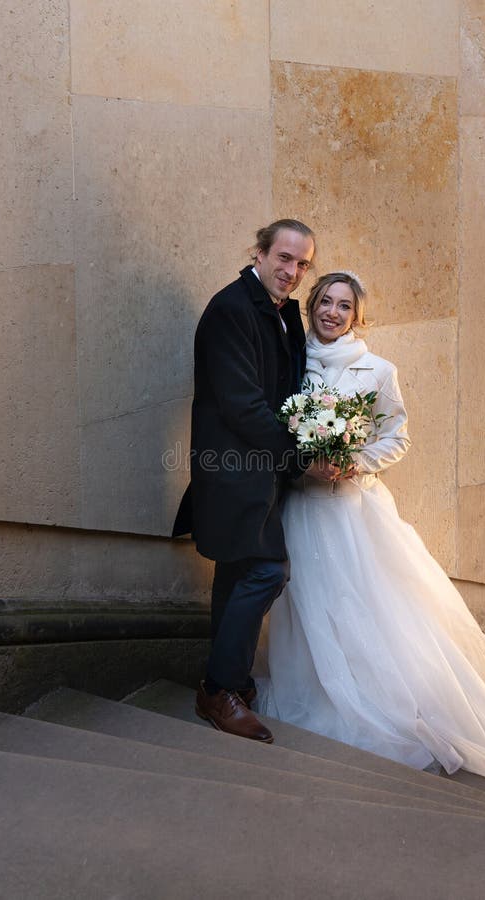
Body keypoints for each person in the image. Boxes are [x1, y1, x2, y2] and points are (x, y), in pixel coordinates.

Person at [255, 271, 485, 787]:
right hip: (301, 506)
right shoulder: (291, 361)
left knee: (367, 605)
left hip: (352, 509)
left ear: (357, 316)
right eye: (325, 302)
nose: (332, 313)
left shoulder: (378, 370)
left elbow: (397, 437)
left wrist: (352, 460)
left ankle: (383, 700)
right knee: (312, 607)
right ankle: (320, 691)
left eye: (343, 305)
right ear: (311, 305)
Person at [173, 219, 335, 744]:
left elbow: (287, 394)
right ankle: (220, 688)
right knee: (268, 570)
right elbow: (243, 406)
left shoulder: (284, 313)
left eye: (302, 264)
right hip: (234, 469)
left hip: (260, 470)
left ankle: (226, 684)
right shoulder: (231, 310)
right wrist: (298, 460)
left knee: (237, 571)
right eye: (284, 258)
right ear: (260, 254)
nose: (292, 271)